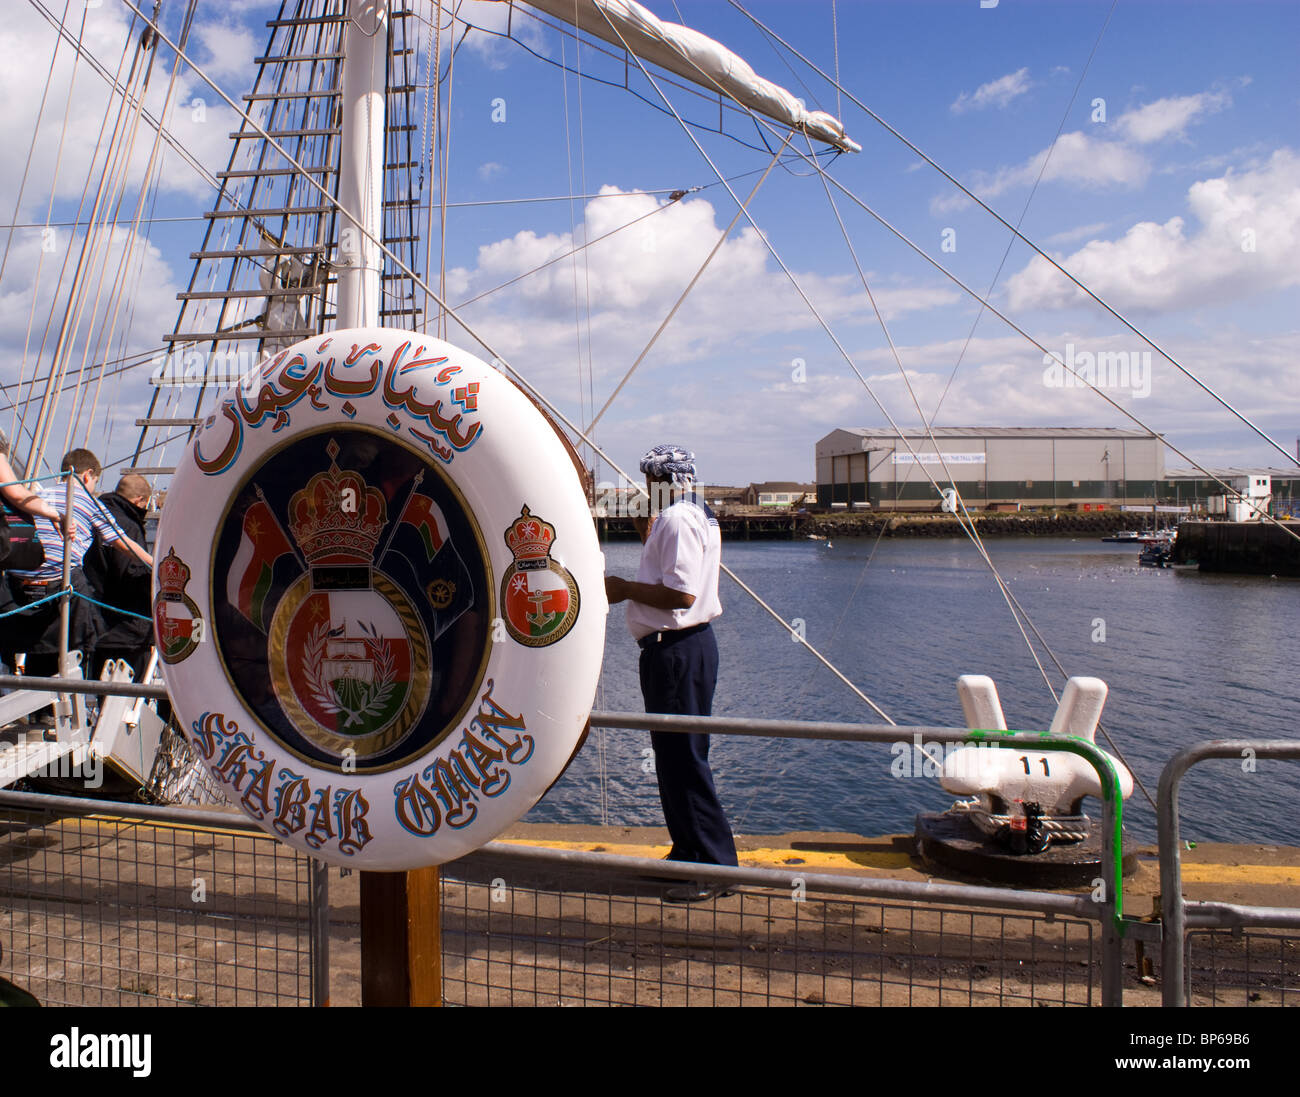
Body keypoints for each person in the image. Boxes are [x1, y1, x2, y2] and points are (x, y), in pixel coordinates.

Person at [604, 444, 737, 903]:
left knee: (683, 757)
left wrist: (621, 589)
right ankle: (687, 855)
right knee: (672, 754)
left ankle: (714, 867)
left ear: (666, 481)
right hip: (682, 649)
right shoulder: (694, 513)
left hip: (677, 649)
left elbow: (681, 595)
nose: (646, 489)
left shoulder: (678, 519)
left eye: (651, 481)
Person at [3, 449, 152, 689]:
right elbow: (121, 542)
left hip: (18, 584)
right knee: (88, 634)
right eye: (95, 482)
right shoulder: (86, 500)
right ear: (87, 475)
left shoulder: (37, 495)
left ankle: (31, 695)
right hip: (58, 581)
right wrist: (154, 563)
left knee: (39, 641)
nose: (94, 488)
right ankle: (75, 690)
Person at [82, 473, 154, 682]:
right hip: (125, 630)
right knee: (125, 698)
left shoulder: (96, 518)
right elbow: (131, 573)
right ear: (140, 501)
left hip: (95, 623)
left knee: (98, 689)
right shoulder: (128, 525)